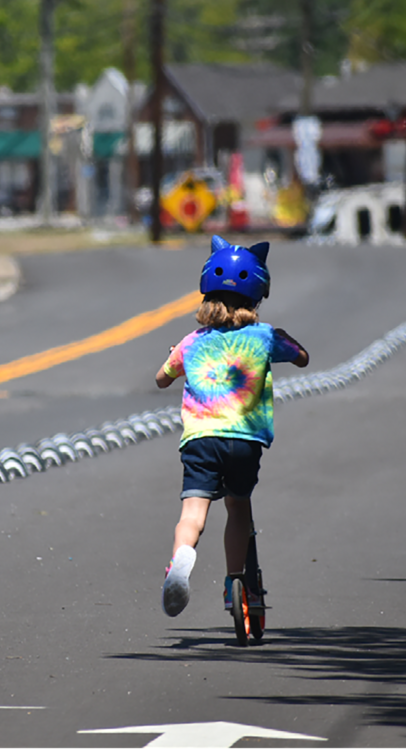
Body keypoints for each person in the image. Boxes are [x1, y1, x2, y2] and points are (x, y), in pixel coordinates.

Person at [154, 237, 309, 617]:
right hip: (244, 440)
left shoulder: (191, 342)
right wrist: (282, 340)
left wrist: (173, 357)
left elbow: (161, 379)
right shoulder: (265, 337)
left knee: (193, 512)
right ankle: (234, 582)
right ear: (258, 297)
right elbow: (302, 358)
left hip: (200, 440)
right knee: (238, 507)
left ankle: (181, 560)